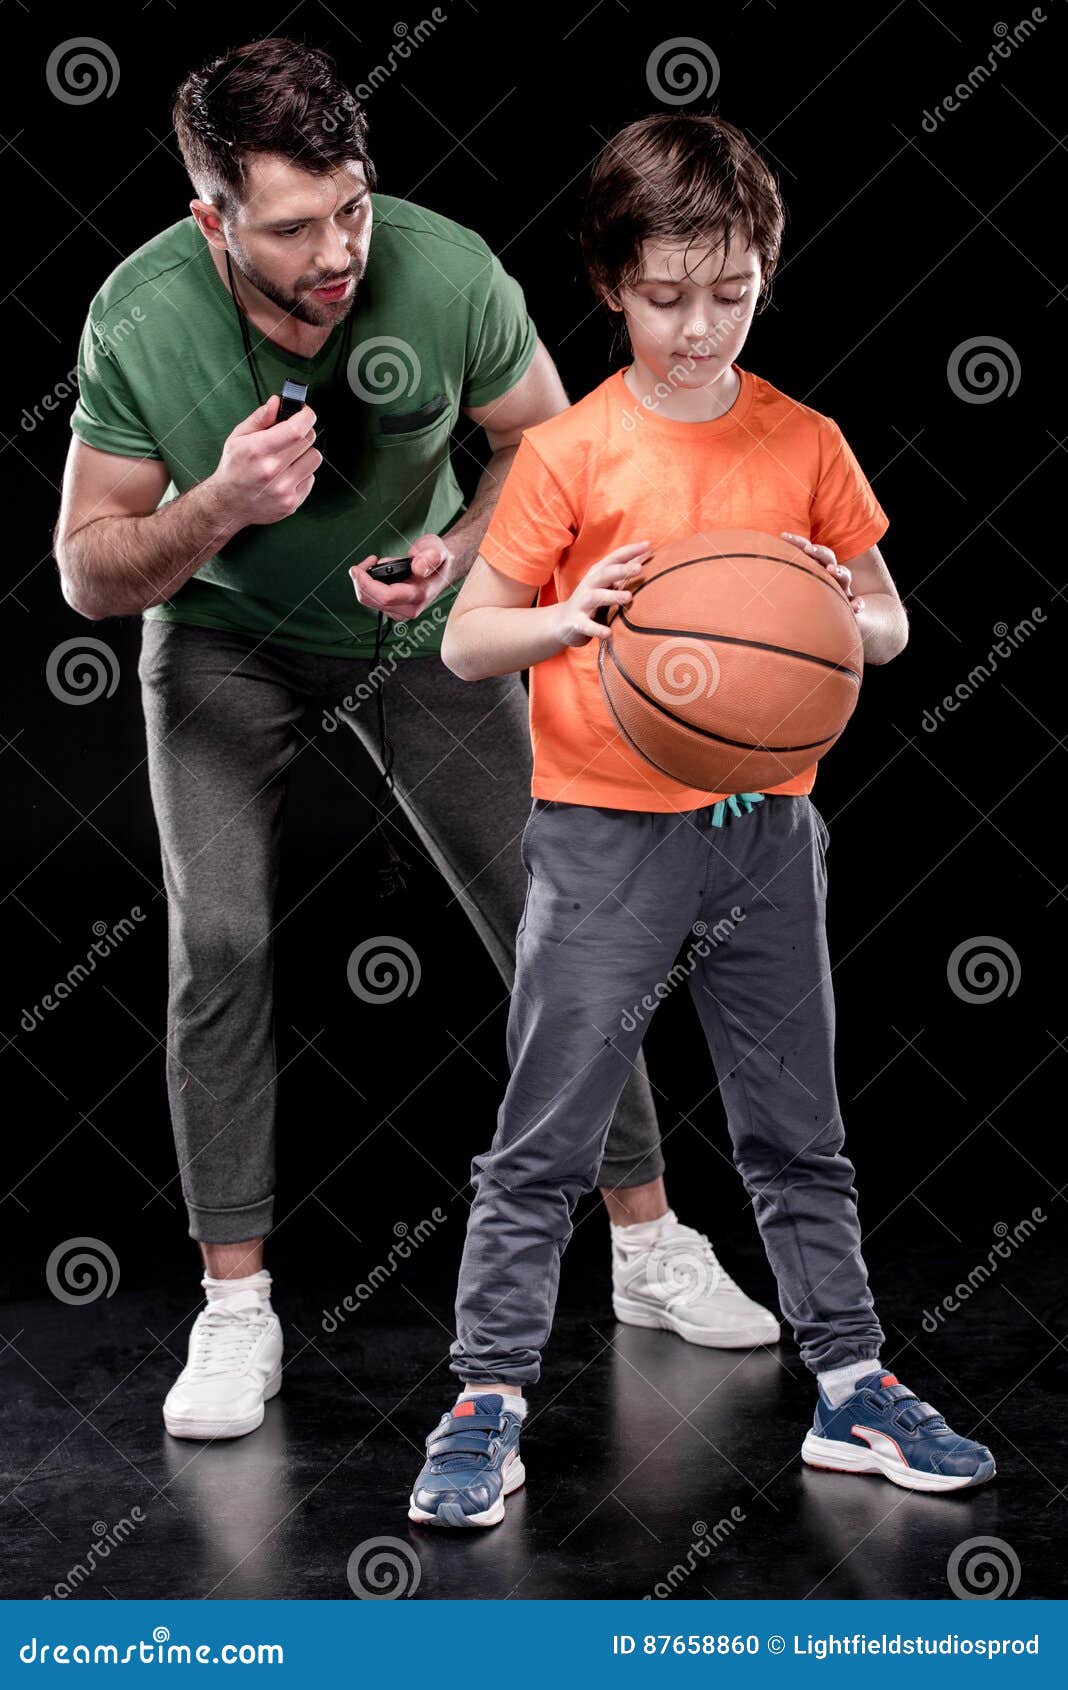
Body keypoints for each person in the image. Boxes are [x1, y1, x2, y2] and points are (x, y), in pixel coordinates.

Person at [53, 42, 777, 1444]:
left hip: (412, 629)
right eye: (290, 227)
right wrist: (215, 509)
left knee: (565, 918)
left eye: (351, 209)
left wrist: (455, 549)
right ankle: (237, 1306)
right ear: (214, 221)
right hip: (224, 640)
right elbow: (90, 571)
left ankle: (645, 1241)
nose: (334, 253)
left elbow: (545, 443)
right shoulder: (138, 317)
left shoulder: (444, 275)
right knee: (225, 943)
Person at [408, 111, 996, 1528]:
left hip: (766, 829)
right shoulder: (570, 451)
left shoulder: (805, 439)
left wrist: (828, 603)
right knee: (545, 1134)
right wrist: (575, 610)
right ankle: (486, 1396)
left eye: (730, 293)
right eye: (668, 296)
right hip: (605, 834)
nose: (698, 326)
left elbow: (892, 624)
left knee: (798, 1128)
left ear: (763, 277)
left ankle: (852, 1382)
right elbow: (463, 645)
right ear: (613, 283)